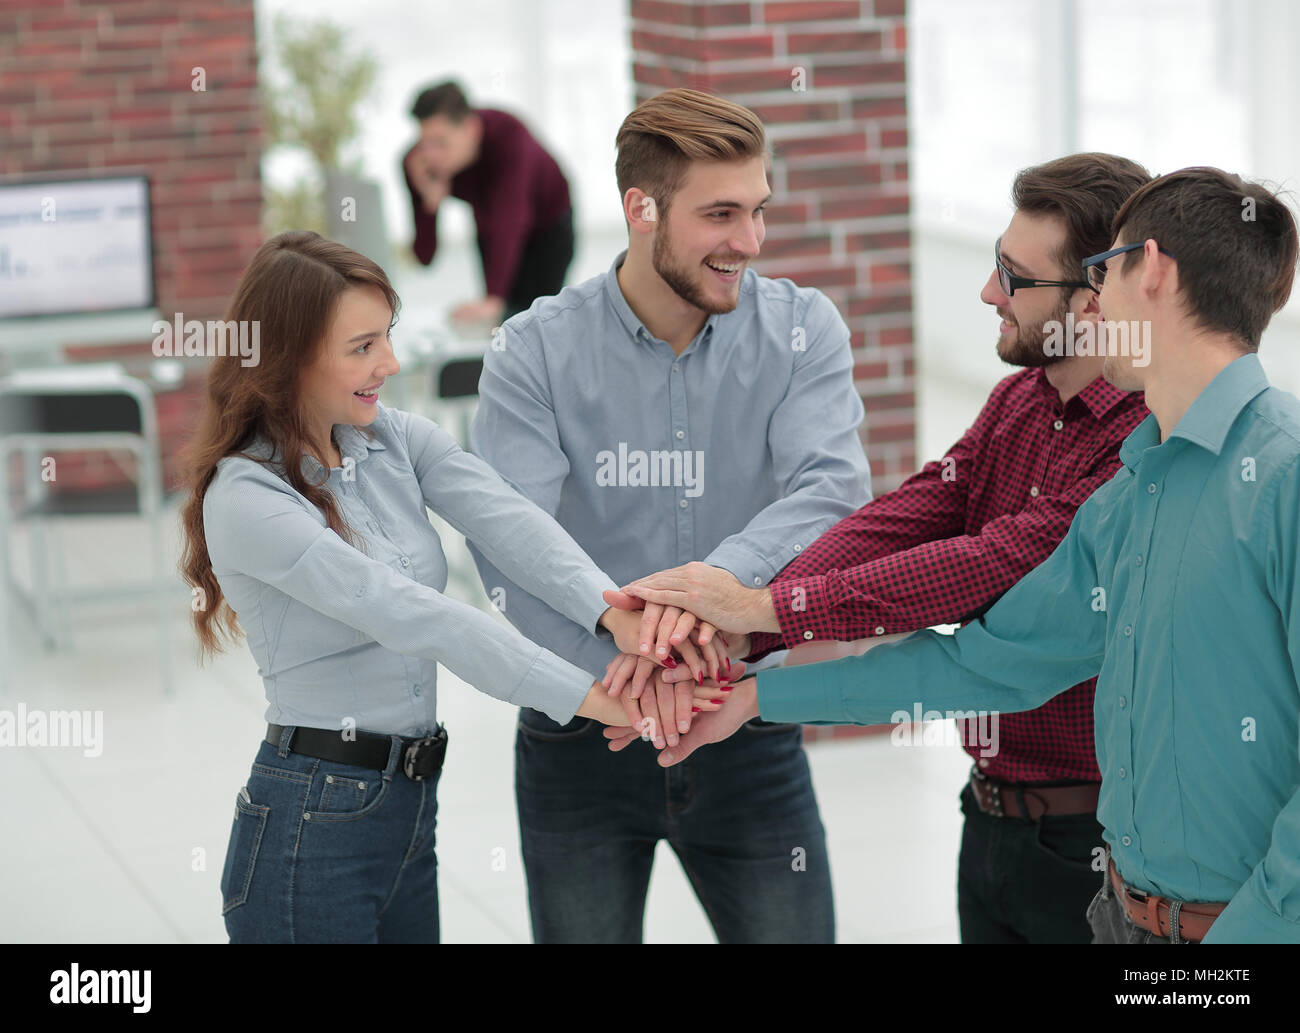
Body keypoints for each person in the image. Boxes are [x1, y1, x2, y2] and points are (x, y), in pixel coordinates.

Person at [637, 167, 1300, 944]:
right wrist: (753, 697)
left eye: (1104, 272)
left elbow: (980, 565)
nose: (1097, 299)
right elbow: (985, 664)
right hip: (1120, 918)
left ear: (1149, 270)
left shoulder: (1281, 479)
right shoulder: (1130, 490)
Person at [178, 231, 716, 944]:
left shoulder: (393, 439)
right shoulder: (247, 495)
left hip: (407, 805)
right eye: (362, 347)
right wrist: (597, 698)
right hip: (311, 822)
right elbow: (415, 615)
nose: (390, 364)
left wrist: (616, 616)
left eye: (387, 338)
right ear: (291, 355)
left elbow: (511, 524)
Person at [467, 88, 871, 943]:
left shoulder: (803, 330)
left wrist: (708, 598)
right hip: (581, 731)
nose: (750, 242)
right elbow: (509, 542)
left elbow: (830, 493)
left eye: (758, 211)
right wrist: (623, 655)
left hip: (748, 722)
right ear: (639, 208)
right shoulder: (532, 351)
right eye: (721, 214)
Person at [402, 81, 574, 324]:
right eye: (425, 142)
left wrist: (493, 299)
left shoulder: (509, 137)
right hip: (490, 222)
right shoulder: (418, 163)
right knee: (499, 321)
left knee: (535, 319)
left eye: (441, 143)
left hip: (548, 225)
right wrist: (429, 205)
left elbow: (510, 220)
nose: (431, 155)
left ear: (471, 130)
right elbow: (424, 256)